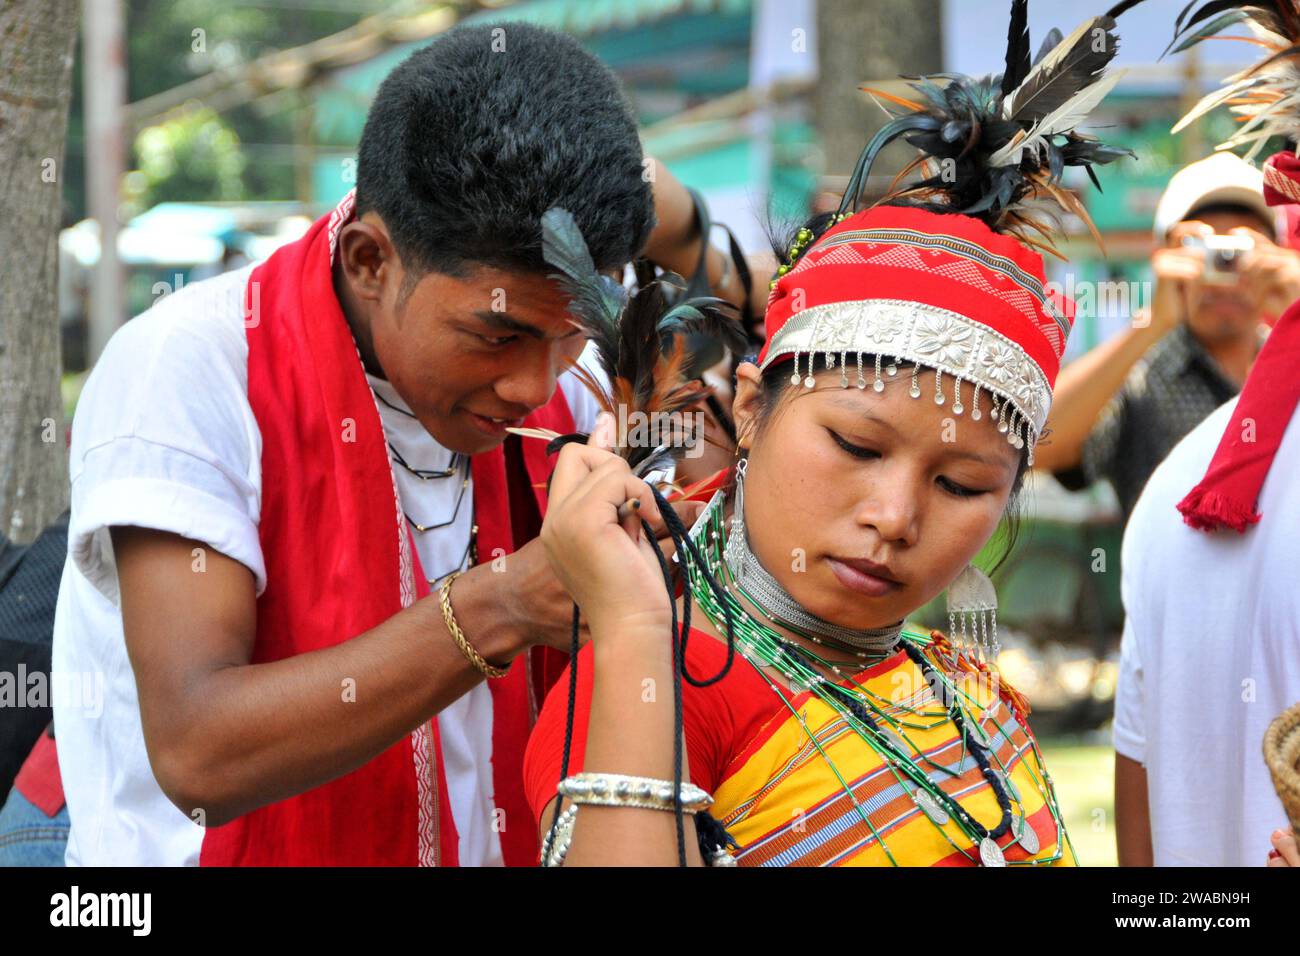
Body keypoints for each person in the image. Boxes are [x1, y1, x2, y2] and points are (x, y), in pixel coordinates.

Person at [51, 23, 748, 867]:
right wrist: (506, 605)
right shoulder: (191, 369)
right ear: (370, 259)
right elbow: (198, 751)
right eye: (497, 336)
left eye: (568, 336)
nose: (534, 386)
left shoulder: (583, 390)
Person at [520, 6, 1134, 866]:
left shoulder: (963, 689)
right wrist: (628, 630)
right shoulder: (662, 685)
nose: (895, 518)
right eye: (856, 445)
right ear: (748, 409)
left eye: (963, 485)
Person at [1111, 1, 1300, 869]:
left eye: (1246, 238)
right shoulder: (1170, 454)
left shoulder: (1181, 480)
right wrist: (1148, 324)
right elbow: (1051, 450)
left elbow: (1141, 844)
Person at [1039, 152, 1300, 523]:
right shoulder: (1140, 377)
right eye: (1205, 253)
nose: (1224, 273)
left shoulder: (1290, 364)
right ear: (1165, 259)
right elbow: (1036, 445)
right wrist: (1150, 324)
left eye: (1242, 254)